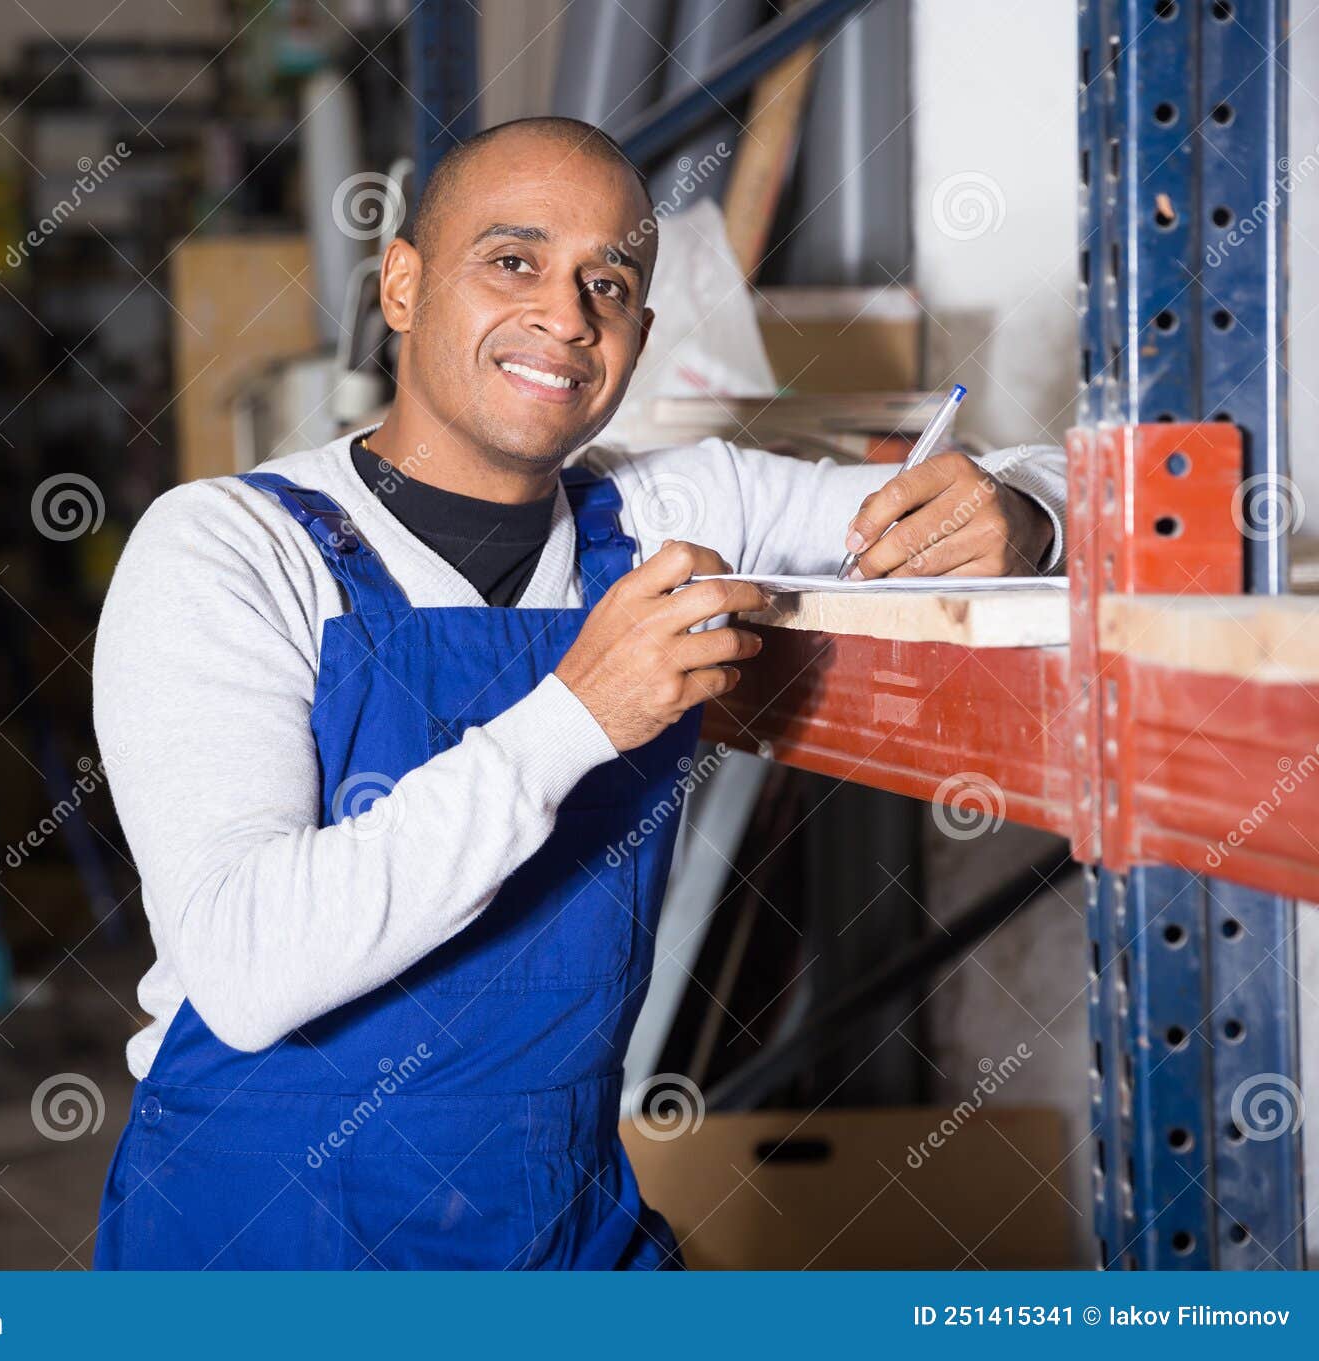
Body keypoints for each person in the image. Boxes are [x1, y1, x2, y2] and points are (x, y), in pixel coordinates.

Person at [91, 117, 1066, 1270]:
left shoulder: (665, 513)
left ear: (640, 335)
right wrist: (575, 716)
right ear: (401, 283)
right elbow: (251, 970)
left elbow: (1008, 488)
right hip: (268, 1229)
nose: (565, 315)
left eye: (608, 282)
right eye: (513, 261)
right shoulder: (230, 547)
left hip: (553, 1218)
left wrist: (1023, 515)